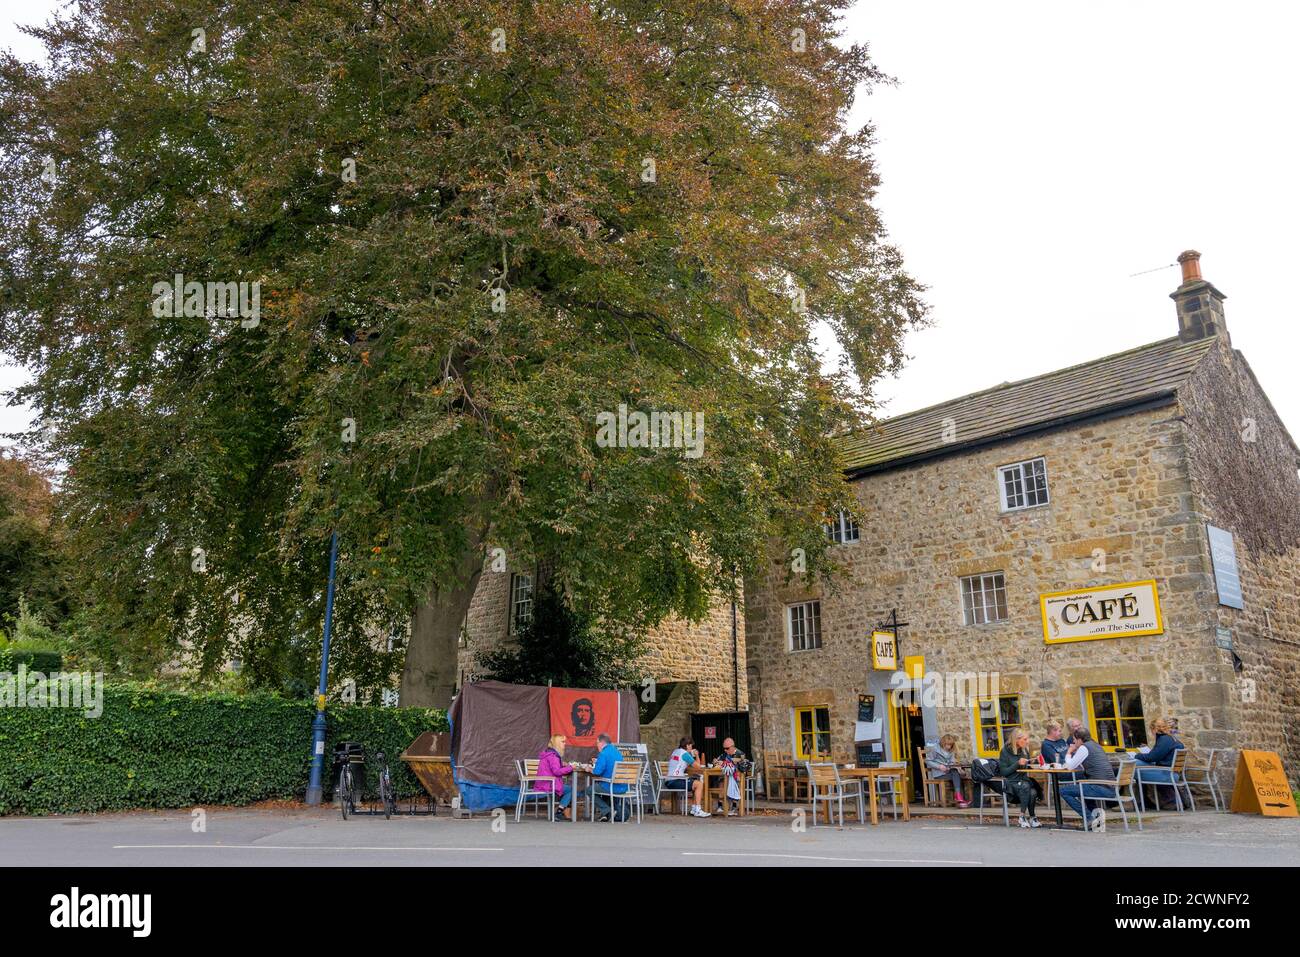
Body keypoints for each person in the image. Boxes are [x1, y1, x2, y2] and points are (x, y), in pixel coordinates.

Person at [1056, 728, 1116, 831]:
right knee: (1083, 788)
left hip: (1100, 787)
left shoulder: (1084, 748)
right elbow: (1085, 764)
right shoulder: (1096, 745)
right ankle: (1097, 820)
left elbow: (1070, 766)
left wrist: (1069, 752)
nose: (1074, 742)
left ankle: (1090, 819)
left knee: (1063, 791)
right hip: (1110, 786)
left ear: (1079, 739)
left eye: (1074, 739)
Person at [1133, 717, 1186, 808]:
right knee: (1136, 767)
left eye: (1151, 730)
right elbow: (1157, 755)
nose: (1151, 732)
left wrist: (1136, 755)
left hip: (1167, 774)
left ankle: (1140, 803)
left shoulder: (1164, 739)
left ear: (1155, 729)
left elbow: (1152, 757)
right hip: (1171, 772)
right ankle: (1145, 802)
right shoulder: (1171, 738)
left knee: (1134, 765)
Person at [998, 728, 1042, 828]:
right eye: (1025, 739)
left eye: (1027, 739)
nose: (1027, 742)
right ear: (1016, 740)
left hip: (1022, 781)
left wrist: (1035, 762)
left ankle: (1032, 817)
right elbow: (1004, 772)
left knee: (1033, 792)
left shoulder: (1024, 750)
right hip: (1011, 783)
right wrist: (1017, 763)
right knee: (1026, 786)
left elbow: (1027, 766)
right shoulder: (1005, 751)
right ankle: (1021, 816)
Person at [664, 737, 711, 817]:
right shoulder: (685, 754)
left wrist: (690, 756)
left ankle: (694, 808)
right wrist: (696, 755)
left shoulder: (675, 751)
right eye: (691, 746)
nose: (692, 747)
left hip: (668, 781)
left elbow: (684, 764)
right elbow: (698, 766)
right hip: (675, 781)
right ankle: (698, 810)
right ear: (688, 745)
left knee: (694, 782)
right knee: (699, 784)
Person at [536, 734, 578, 821]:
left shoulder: (548, 753)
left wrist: (562, 764)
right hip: (549, 784)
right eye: (563, 742)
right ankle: (559, 811)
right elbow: (557, 772)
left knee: (565, 789)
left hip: (543, 783)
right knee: (571, 789)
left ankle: (561, 810)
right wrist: (571, 767)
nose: (565, 744)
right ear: (557, 743)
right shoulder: (553, 756)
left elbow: (552, 768)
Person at [589, 732, 629, 821]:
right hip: (622, 786)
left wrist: (589, 769)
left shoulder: (603, 753)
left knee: (589, 790)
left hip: (611, 786)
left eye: (597, 743)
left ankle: (607, 811)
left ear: (602, 743)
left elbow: (597, 772)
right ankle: (607, 814)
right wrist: (598, 761)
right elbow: (609, 765)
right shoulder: (617, 752)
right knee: (601, 788)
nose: (597, 746)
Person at [710, 738, 752, 815]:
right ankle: (721, 806)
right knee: (721, 782)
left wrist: (723, 763)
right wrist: (715, 761)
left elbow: (739, 766)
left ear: (732, 747)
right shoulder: (725, 754)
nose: (725, 750)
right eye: (724, 748)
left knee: (725, 781)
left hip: (738, 777)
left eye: (727, 748)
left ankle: (734, 806)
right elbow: (717, 761)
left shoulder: (740, 754)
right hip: (726, 776)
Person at [926, 734, 970, 807]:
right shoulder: (935, 749)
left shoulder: (951, 751)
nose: (949, 747)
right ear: (943, 743)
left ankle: (959, 798)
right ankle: (960, 799)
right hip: (939, 774)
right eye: (947, 745)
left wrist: (958, 768)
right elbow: (928, 761)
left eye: (950, 745)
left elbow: (952, 762)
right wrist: (939, 766)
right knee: (957, 775)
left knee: (957, 773)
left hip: (948, 772)